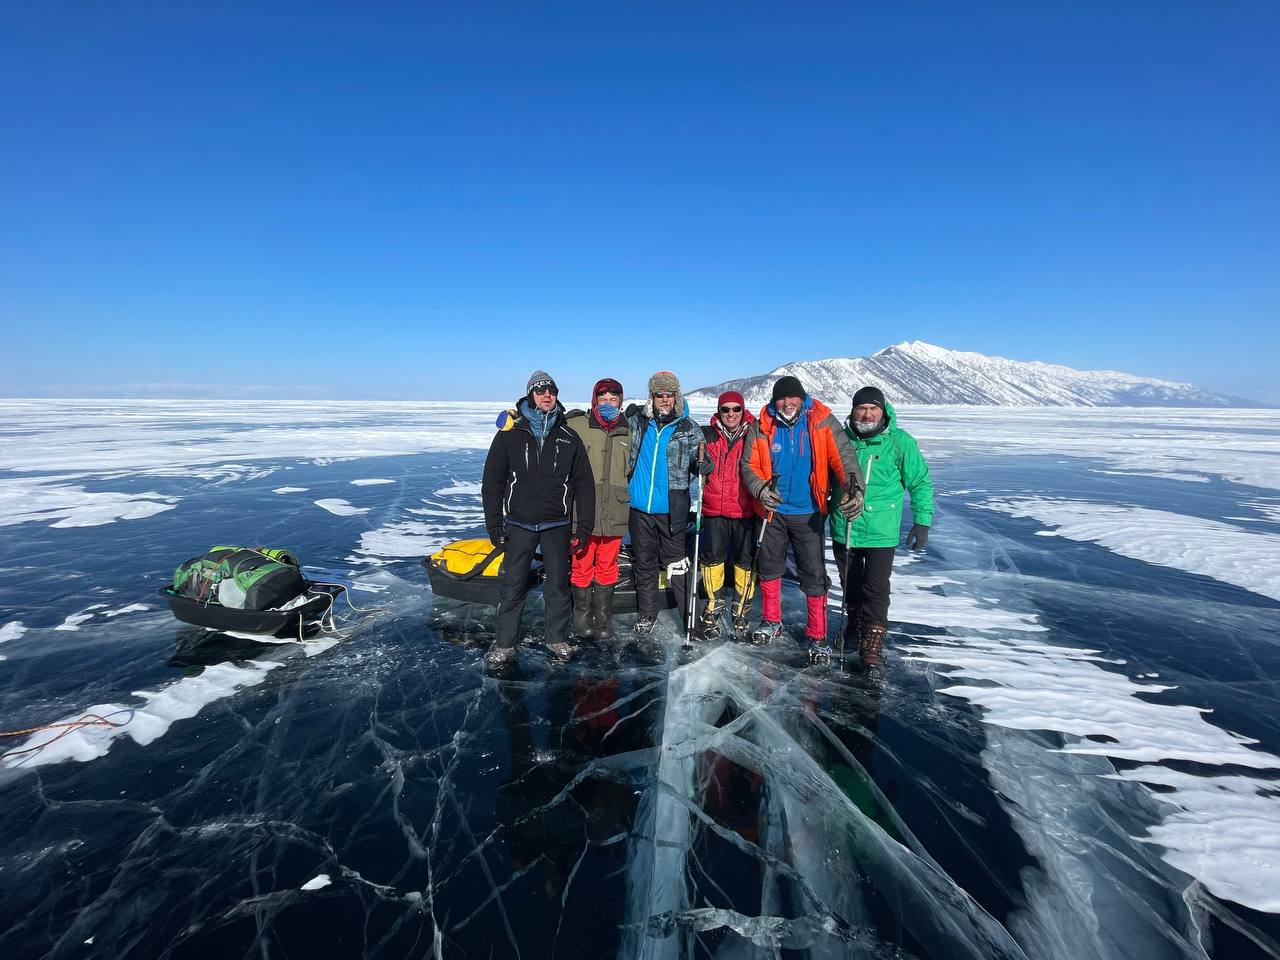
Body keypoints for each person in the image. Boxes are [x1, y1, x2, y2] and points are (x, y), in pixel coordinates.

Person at [740, 375, 863, 652]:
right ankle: (772, 621)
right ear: (774, 401)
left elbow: (844, 459)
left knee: (813, 573)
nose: (787, 403)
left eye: (792, 398)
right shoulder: (762, 426)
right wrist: (760, 489)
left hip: (808, 512)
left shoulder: (821, 422)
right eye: (781, 398)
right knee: (770, 568)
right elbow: (748, 465)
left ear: (802, 398)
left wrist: (853, 489)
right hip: (772, 511)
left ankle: (817, 634)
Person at [481, 370, 595, 668]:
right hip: (518, 523)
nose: (547, 396)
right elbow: (492, 481)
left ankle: (557, 638)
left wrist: (583, 527)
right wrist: (494, 525)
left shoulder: (569, 437)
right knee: (513, 585)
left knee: (557, 585)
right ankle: (505, 644)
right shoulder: (510, 435)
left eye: (552, 391)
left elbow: (584, 486)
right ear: (530, 395)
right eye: (541, 391)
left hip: (556, 524)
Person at [829, 386, 934, 668]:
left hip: (881, 531)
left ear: (883, 411)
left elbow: (920, 482)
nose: (867, 414)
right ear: (853, 411)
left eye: (873, 409)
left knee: (875, 588)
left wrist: (922, 520)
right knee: (849, 583)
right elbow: (823, 478)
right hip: (845, 526)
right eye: (861, 409)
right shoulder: (839, 440)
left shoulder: (899, 442)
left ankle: (873, 641)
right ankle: (854, 626)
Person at [624, 370, 711, 636]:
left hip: (671, 510)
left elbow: (701, 459)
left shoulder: (688, 428)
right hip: (639, 510)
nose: (664, 399)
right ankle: (647, 614)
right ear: (652, 396)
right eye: (659, 394)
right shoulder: (638, 421)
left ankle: (690, 619)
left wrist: (704, 465)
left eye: (669, 394)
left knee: (678, 566)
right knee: (645, 564)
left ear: (676, 397)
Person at [564, 378, 631, 640]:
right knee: (581, 565)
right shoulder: (576, 425)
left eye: (613, 400)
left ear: (620, 402)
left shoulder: (629, 430)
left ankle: (603, 618)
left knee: (608, 565)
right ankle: (582, 616)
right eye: (602, 400)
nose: (608, 404)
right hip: (584, 511)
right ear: (594, 400)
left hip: (614, 510)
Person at [695, 390, 758, 640]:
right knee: (712, 559)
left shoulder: (754, 434)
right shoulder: (706, 434)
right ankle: (713, 604)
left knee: (745, 561)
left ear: (743, 411)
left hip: (744, 509)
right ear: (718, 411)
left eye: (736, 409)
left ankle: (741, 608)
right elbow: (691, 458)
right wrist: (696, 464)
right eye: (725, 409)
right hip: (713, 508)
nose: (731, 414)